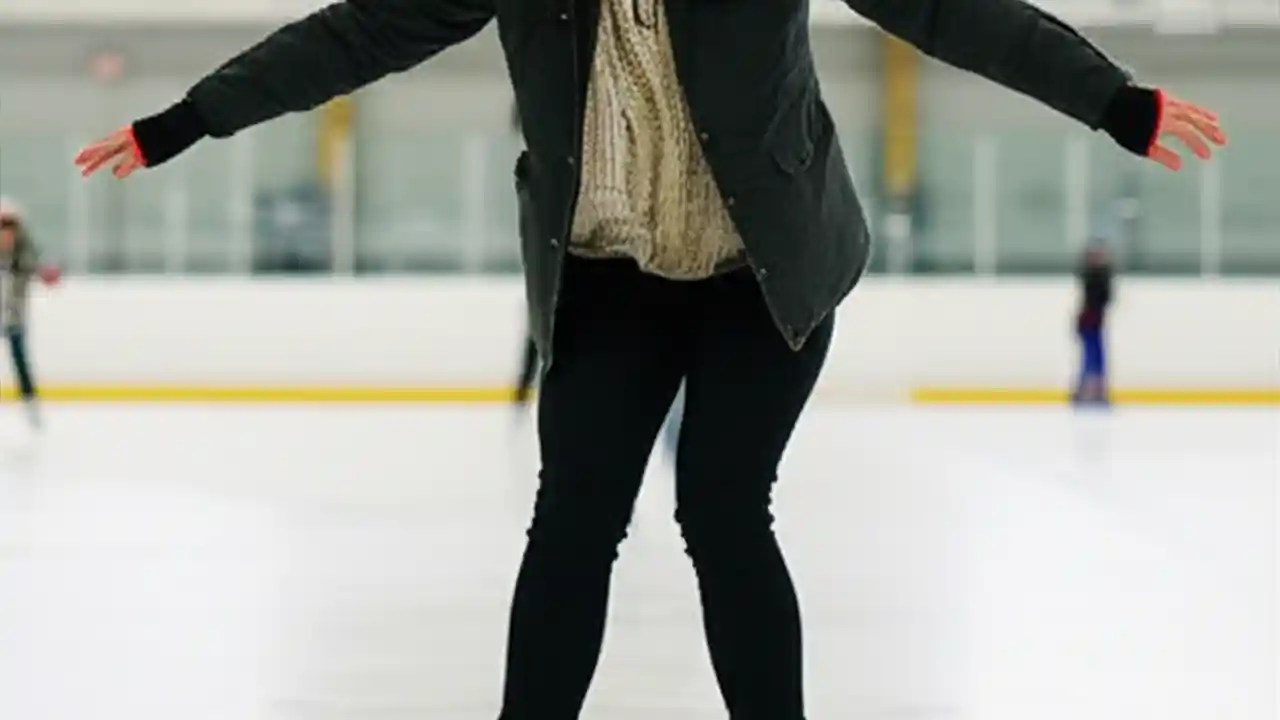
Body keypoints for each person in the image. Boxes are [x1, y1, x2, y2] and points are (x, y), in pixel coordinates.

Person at [72, 0, 1226, 716]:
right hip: (606, 272)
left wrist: (1111, 102)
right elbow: (359, 32)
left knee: (722, 510)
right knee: (572, 522)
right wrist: (187, 120)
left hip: (760, 270)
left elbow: (945, 10)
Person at [1, 198, 61, 428]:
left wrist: (48, 274)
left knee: (20, 359)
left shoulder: (25, 256)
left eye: (9, 227)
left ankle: (30, 403)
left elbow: (41, 269)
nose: (5, 234)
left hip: (13, 317)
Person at [1074, 241, 1114, 406]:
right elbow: (1101, 296)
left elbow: (1107, 297)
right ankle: (1087, 390)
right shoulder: (1092, 275)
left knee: (1097, 357)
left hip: (1095, 321)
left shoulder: (1100, 275)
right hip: (1089, 321)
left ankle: (1094, 390)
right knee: (1090, 357)